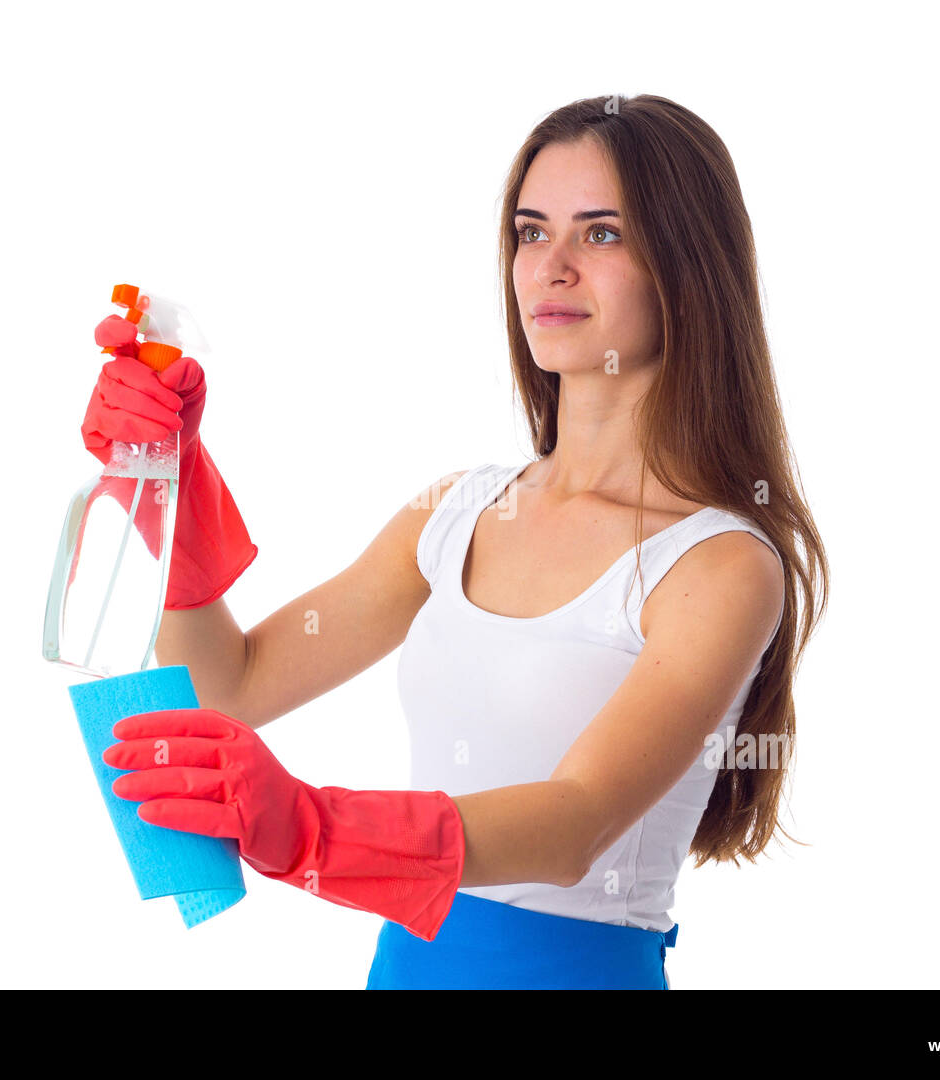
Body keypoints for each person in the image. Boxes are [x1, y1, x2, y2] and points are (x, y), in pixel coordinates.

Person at [83, 93, 829, 990]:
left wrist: (314, 827)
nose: (549, 268)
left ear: (689, 267)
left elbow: (573, 825)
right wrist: (163, 478)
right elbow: (228, 685)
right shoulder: (458, 514)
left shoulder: (718, 564)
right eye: (529, 231)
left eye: (600, 235)